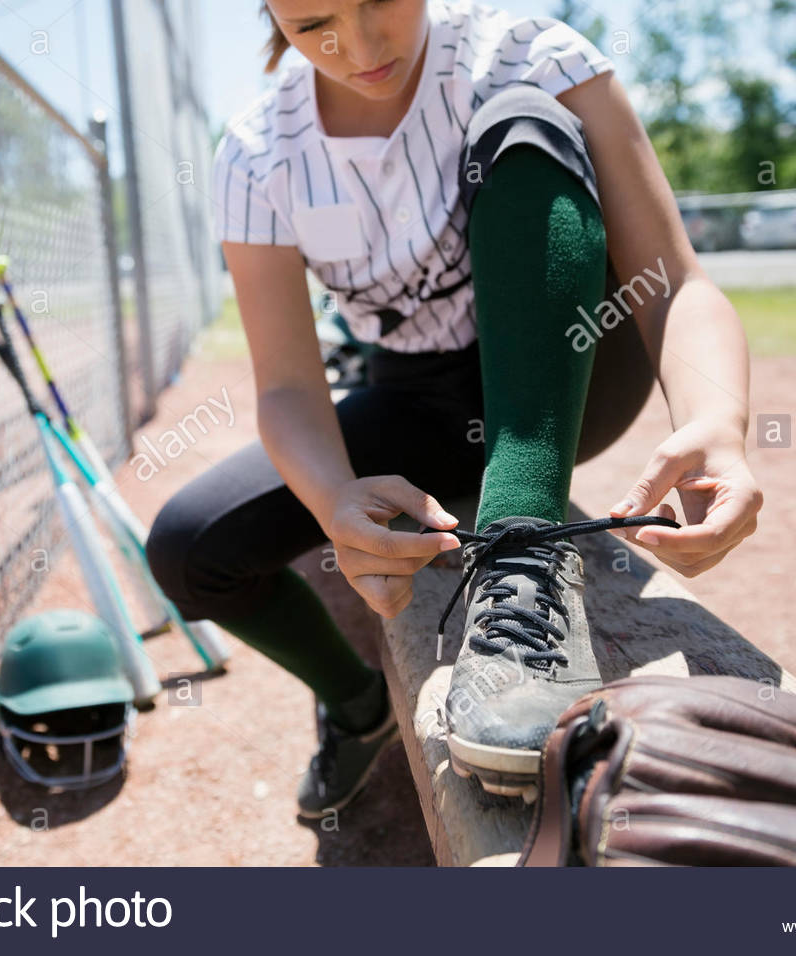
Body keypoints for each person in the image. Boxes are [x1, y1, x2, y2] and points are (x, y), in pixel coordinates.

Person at [146, 0, 763, 817]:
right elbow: (290, 385)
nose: (361, 45)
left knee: (523, 116)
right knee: (189, 549)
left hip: (574, 359)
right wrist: (333, 497)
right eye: (315, 22)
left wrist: (719, 420)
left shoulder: (527, 52)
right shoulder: (260, 152)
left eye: (380, 1)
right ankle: (359, 710)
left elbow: (675, 283)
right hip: (416, 399)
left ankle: (525, 549)